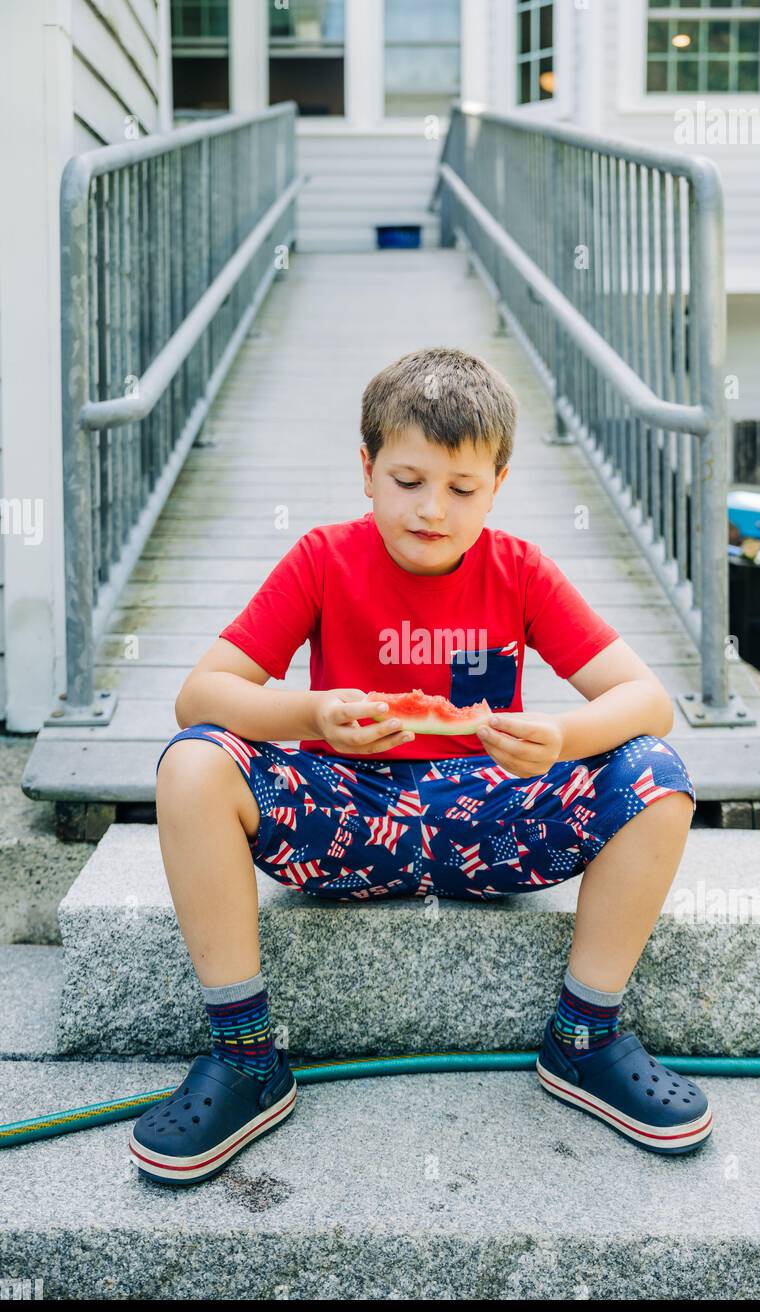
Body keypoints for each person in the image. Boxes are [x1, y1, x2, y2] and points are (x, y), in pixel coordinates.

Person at [129, 346, 712, 1186]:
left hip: (493, 823)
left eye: (461, 488)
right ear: (366, 471)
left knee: (655, 772)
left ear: (499, 484)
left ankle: (585, 1038)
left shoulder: (520, 569)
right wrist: (309, 715)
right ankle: (248, 1056)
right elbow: (201, 695)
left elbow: (646, 700)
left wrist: (559, 736)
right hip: (344, 814)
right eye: (407, 481)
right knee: (191, 764)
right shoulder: (322, 558)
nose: (432, 508)